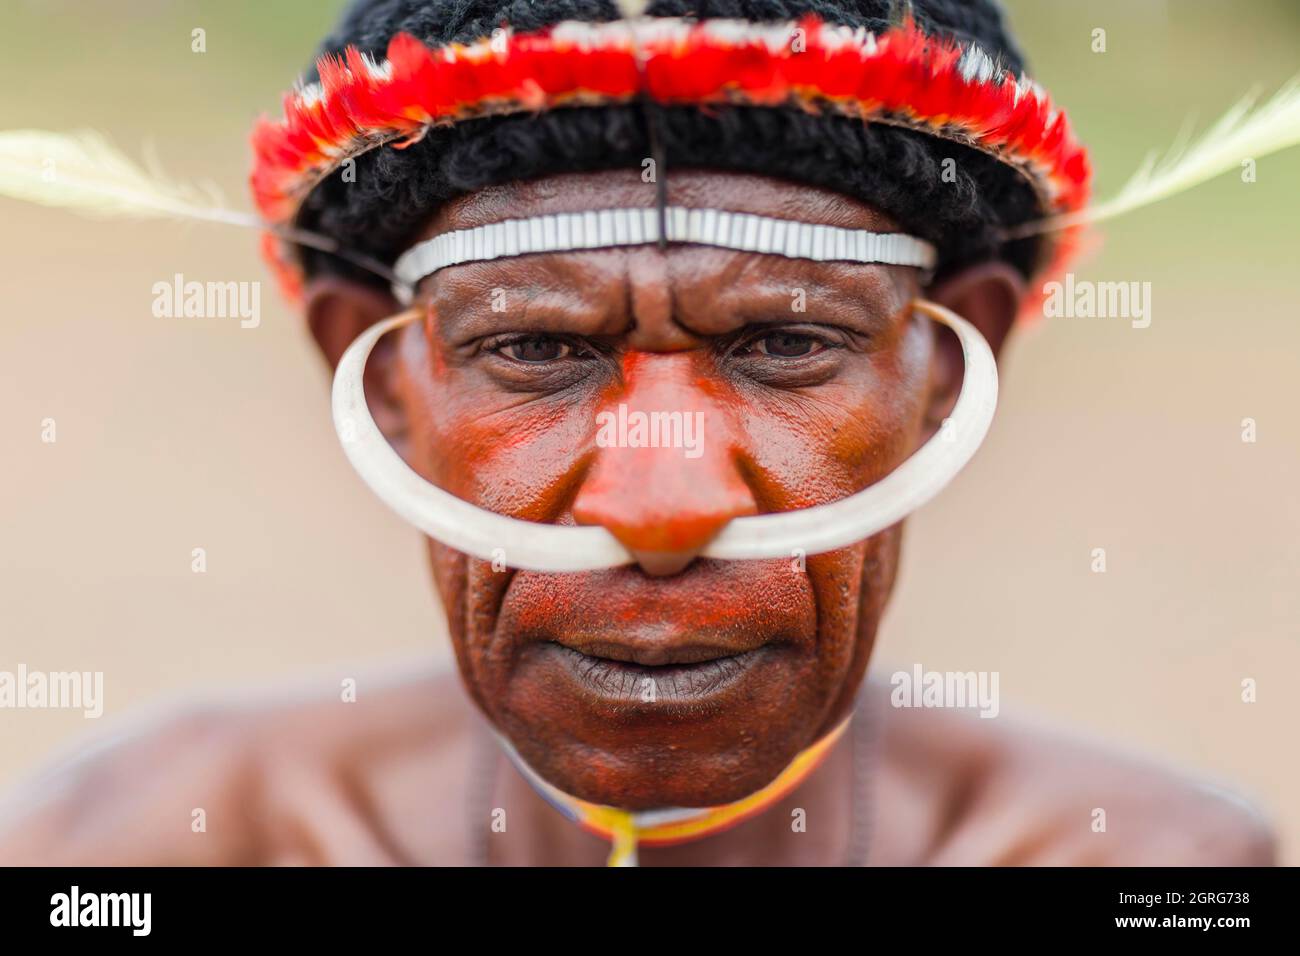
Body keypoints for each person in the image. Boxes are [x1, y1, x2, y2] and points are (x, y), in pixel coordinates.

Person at [0, 0, 1276, 866]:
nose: (659, 503)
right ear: (379, 381)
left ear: (950, 367)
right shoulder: (139, 849)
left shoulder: (1166, 867)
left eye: (782, 341)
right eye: (536, 348)